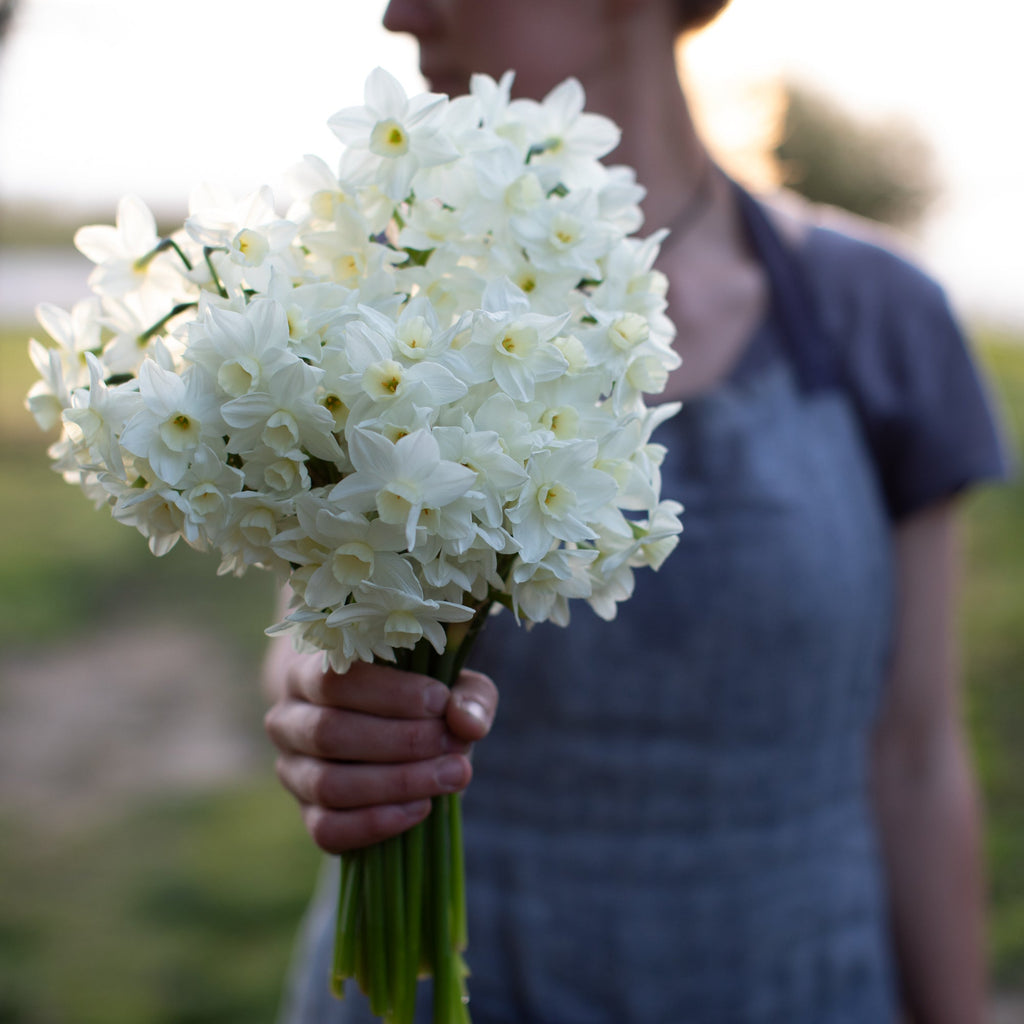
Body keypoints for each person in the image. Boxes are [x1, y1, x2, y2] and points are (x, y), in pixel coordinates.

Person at [263, 1, 1011, 1021]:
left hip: (791, 982)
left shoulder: (876, 318)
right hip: (457, 978)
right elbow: (311, 625)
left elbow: (915, 750)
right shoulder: (375, 296)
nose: (400, 10)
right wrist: (319, 711)